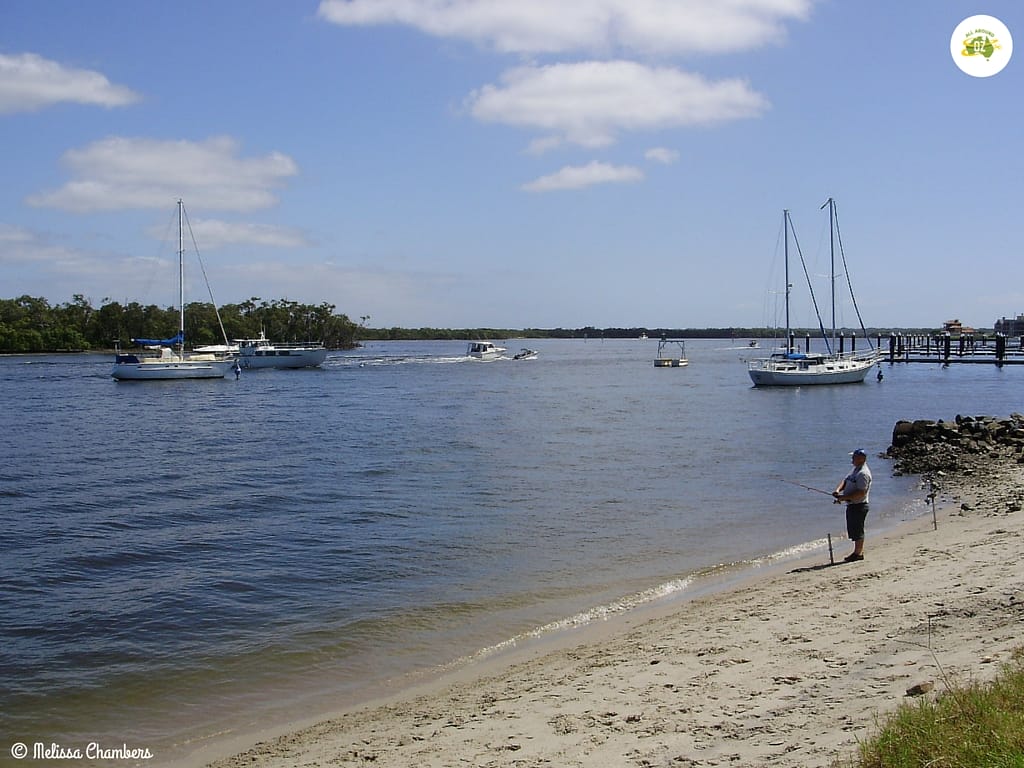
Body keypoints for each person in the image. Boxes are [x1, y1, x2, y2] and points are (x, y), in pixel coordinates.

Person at [833, 448, 872, 562]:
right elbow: (845, 481)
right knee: (854, 530)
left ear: (861, 459)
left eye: (854, 457)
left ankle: (858, 553)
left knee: (858, 530)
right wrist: (838, 490)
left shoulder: (863, 473)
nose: (852, 459)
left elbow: (861, 493)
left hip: (859, 505)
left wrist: (843, 498)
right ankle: (857, 551)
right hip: (852, 504)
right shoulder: (855, 470)